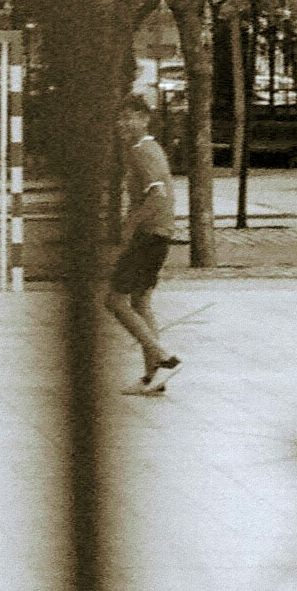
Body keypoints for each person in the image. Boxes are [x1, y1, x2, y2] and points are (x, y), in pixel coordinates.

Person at [110, 98, 180, 394]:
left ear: (144, 119)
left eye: (129, 118)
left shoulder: (143, 152)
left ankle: (165, 359)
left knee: (113, 300)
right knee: (141, 302)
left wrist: (128, 229)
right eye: (119, 118)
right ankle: (153, 378)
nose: (122, 124)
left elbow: (157, 197)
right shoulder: (147, 150)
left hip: (148, 236)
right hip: (158, 235)